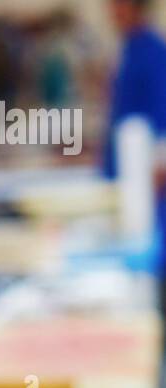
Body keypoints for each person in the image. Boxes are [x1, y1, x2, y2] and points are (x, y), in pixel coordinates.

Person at [104, 0, 166, 289]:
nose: (111, 10)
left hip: (146, 189)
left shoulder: (152, 52)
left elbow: (161, 123)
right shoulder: (129, 48)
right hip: (126, 180)